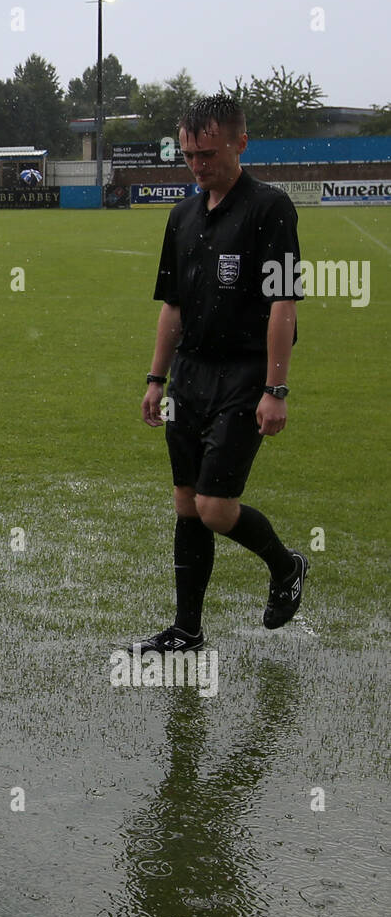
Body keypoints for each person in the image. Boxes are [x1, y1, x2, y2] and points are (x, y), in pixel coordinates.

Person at [134, 94, 306, 653]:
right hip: (189, 375)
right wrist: (156, 379)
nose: (197, 165)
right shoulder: (182, 215)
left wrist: (275, 388)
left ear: (240, 143)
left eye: (207, 153)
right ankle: (187, 630)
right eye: (187, 155)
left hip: (245, 373)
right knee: (187, 504)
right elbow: (173, 308)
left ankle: (285, 567)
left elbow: (283, 303)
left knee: (214, 507)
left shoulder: (271, 209)